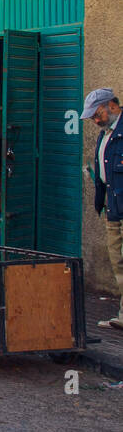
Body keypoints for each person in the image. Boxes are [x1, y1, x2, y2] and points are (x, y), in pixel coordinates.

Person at [84, 87, 123, 331]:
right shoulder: (105, 135)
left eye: (97, 114)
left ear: (112, 105)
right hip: (114, 209)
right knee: (118, 263)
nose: (95, 120)